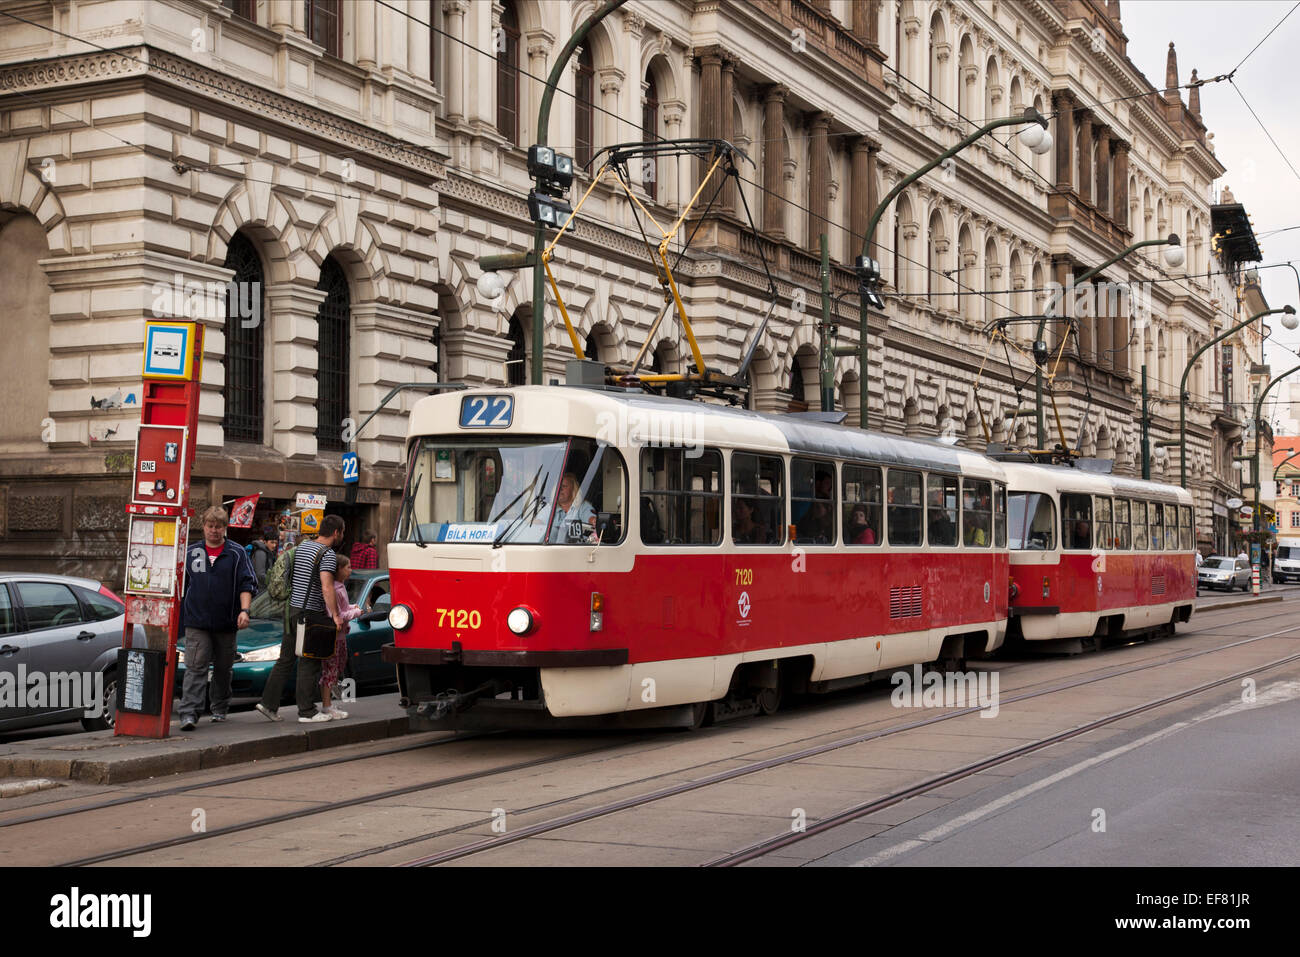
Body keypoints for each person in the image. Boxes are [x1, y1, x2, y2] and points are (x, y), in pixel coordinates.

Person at [256, 514, 347, 723]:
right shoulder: (327, 554)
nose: (342, 536)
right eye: (342, 532)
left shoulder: (303, 547)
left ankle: (268, 704)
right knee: (310, 660)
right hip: (310, 613)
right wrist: (335, 614)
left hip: (292, 609)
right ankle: (307, 712)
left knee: (286, 659)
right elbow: (326, 586)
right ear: (336, 533)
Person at [178, 506, 257, 731]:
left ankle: (219, 707)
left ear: (225, 528)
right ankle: (188, 713)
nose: (214, 531)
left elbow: (247, 584)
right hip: (197, 621)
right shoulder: (191, 552)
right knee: (195, 666)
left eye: (218, 526)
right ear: (203, 527)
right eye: (210, 526)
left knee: (223, 667)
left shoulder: (236, 552)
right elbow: (178, 586)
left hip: (226, 621)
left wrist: (245, 611)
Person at [319, 554, 362, 719]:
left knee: (337, 668)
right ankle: (326, 705)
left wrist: (352, 607)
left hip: (341, 635)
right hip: (334, 636)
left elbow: (343, 608)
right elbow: (337, 613)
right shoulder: (335, 589)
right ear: (339, 569)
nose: (351, 570)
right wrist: (357, 612)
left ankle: (328, 703)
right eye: (348, 567)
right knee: (330, 670)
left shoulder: (340, 586)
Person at [548, 472, 596, 543]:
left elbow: (591, 519)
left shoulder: (583, 507)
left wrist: (594, 521)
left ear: (573, 490)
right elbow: (537, 523)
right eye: (558, 486)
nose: (560, 489)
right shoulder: (549, 508)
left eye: (564, 486)